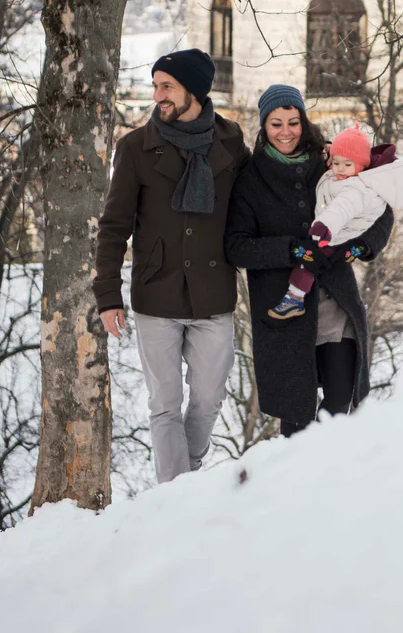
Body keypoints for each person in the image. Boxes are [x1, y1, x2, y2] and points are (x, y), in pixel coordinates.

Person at [92, 49, 250, 483]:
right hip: (155, 295)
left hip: (214, 293)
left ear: (194, 91)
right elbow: (113, 227)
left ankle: (188, 475)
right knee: (164, 403)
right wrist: (108, 296)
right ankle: (176, 495)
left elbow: (256, 204)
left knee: (208, 398)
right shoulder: (136, 148)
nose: (157, 95)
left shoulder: (232, 143)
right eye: (156, 85)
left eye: (167, 86)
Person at [224, 85, 393, 436]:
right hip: (285, 315)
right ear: (263, 127)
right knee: (296, 427)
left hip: (335, 308)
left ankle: (332, 486)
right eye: (276, 124)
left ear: (304, 121)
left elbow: (380, 209)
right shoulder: (250, 179)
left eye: (293, 122)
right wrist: (292, 249)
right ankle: (294, 489)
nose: (286, 132)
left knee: (338, 415)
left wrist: (358, 248)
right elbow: (237, 247)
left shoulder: (330, 163)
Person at [269, 123, 403, 320]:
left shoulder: (356, 188)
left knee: (308, 262)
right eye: (336, 163)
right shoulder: (340, 176)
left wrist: (325, 226)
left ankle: (295, 298)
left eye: (347, 165)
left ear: (362, 165)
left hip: (339, 232)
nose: (339, 168)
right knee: (310, 258)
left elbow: (341, 209)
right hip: (332, 229)